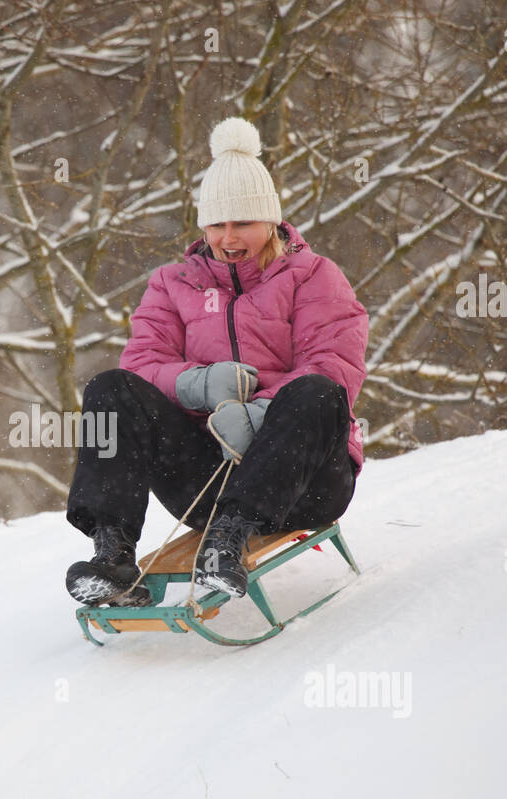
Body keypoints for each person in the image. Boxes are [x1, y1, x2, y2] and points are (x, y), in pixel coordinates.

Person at [65, 116, 368, 606]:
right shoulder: (173, 284)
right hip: (208, 477)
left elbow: (333, 363)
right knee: (110, 388)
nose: (229, 237)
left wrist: (261, 414)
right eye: (218, 223)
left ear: (271, 220)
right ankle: (113, 552)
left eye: (243, 223)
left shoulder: (314, 277)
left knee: (318, 392)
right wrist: (199, 385)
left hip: (307, 480)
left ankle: (230, 537)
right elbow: (142, 361)